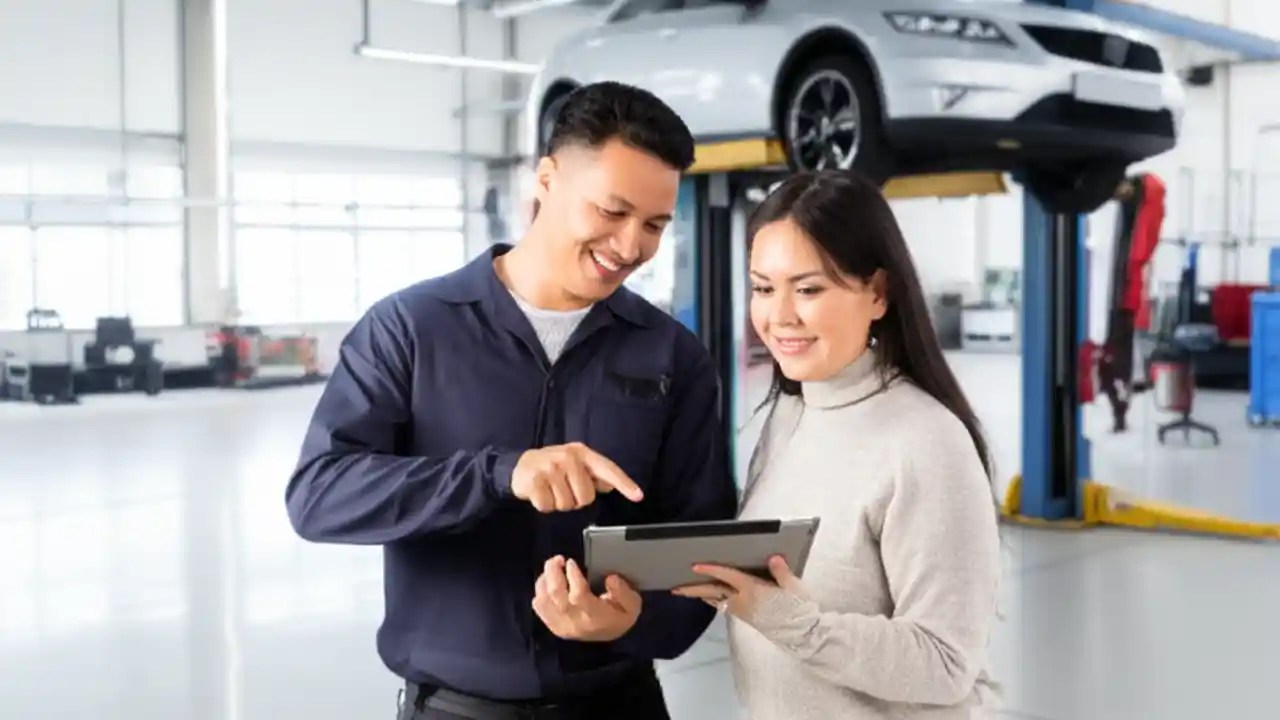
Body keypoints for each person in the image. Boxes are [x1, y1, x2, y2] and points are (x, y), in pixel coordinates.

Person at [285, 81, 738, 719]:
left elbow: (702, 546)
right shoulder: (411, 328)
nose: (631, 245)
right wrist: (498, 473)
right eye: (612, 211)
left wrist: (634, 620)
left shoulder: (673, 356)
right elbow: (319, 495)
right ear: (546, 181)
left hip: (619, 705)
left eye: (655, 225)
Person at [673, 170, 1002, 719]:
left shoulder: (927, 442)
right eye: (763, 288)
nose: (779, 316)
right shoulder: (788, 415)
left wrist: (794, 624)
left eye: (808, 289)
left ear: (878, 293)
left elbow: (946, 664)